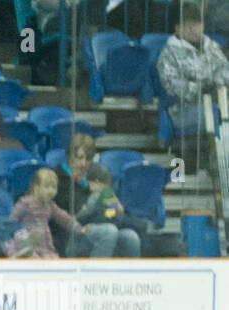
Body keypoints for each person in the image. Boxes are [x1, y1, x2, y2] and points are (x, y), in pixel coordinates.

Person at [51, 133, 142, 257]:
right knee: (109, 232)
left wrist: (115, 208)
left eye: (88, 159)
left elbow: (110, 214)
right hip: (70, 236)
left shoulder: (94, 178)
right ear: (69, 156)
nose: (83, 163)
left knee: (131, 238)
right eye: (79, 157)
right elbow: (66, 213)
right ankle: (96, 276)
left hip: (97, 229)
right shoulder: (57, 177)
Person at [157, 2, 229, 134]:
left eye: (196, 24)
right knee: (214, 113)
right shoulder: (168, 54)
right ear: (177, 28)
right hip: (182, 111)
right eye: (186, 25)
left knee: (219, 111)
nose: (192, 29)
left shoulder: (212, 47)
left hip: (216, 102)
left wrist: (217, 85)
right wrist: (203, 89)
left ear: (202, 26)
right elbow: (173, 87)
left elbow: (225, 70)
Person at [7, 166, 84, 258]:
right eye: (47, 187)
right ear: (35, 187)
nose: (51, 191)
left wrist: (78, 227)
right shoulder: (25, 203)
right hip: (28, 241)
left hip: (44, 241)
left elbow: (63, 217)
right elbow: (11, 222)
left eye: (54, 187)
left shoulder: (50, 205)